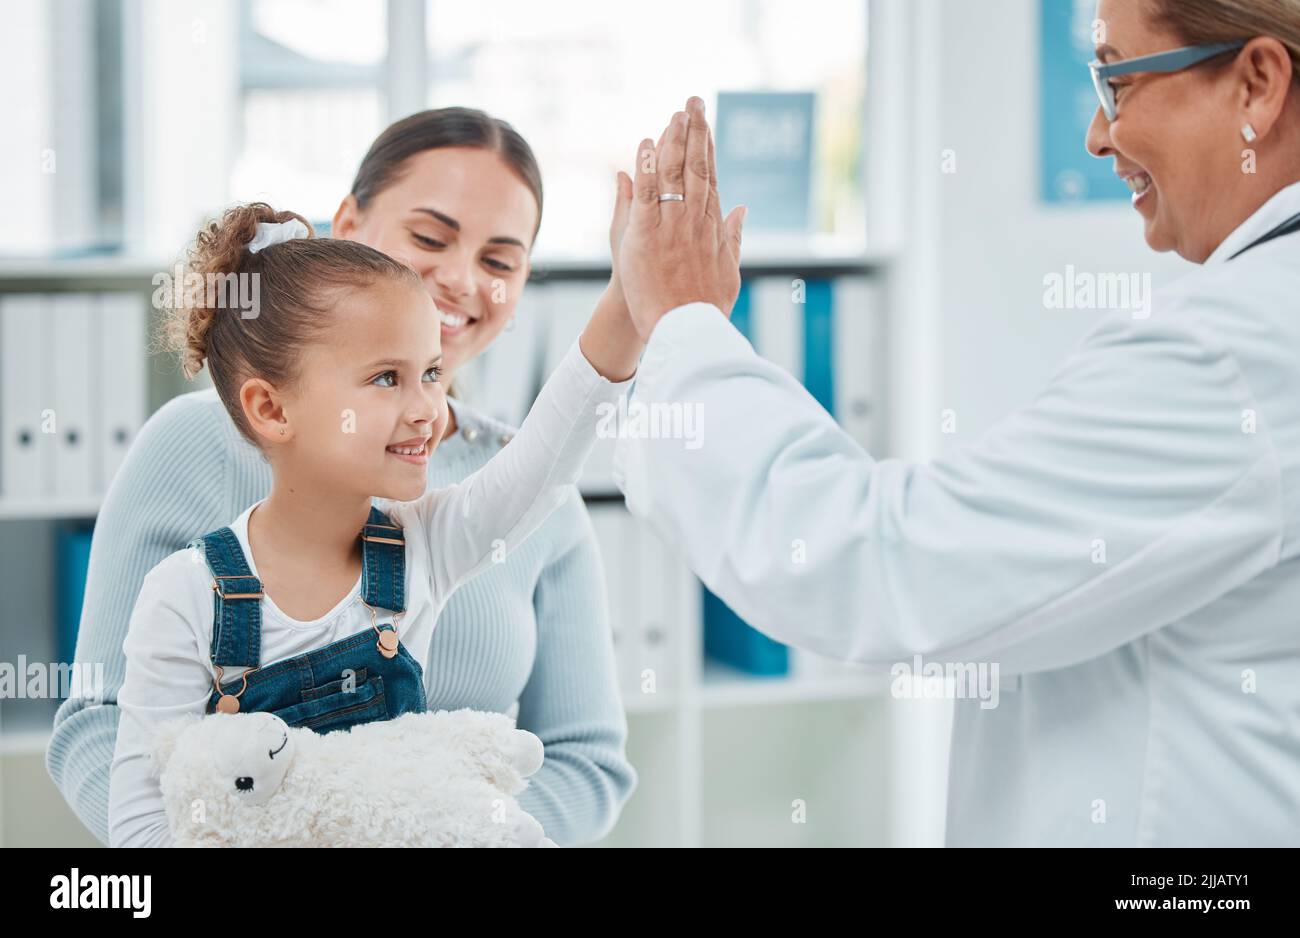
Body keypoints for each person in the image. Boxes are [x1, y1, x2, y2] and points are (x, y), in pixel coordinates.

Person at [612, 0, 1300, 846]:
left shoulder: (1233, 350)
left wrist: (686, 325)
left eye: (1118, 84)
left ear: (1258, 85)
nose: (1095, 134)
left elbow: (878, 566)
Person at [49, 108, 640, 847]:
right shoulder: (187, 562)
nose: (457, 279)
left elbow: (585, 761)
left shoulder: (433, 539)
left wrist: (632, 305)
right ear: (349, 225)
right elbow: (114, 749)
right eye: (430, 237)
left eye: (500, 260)